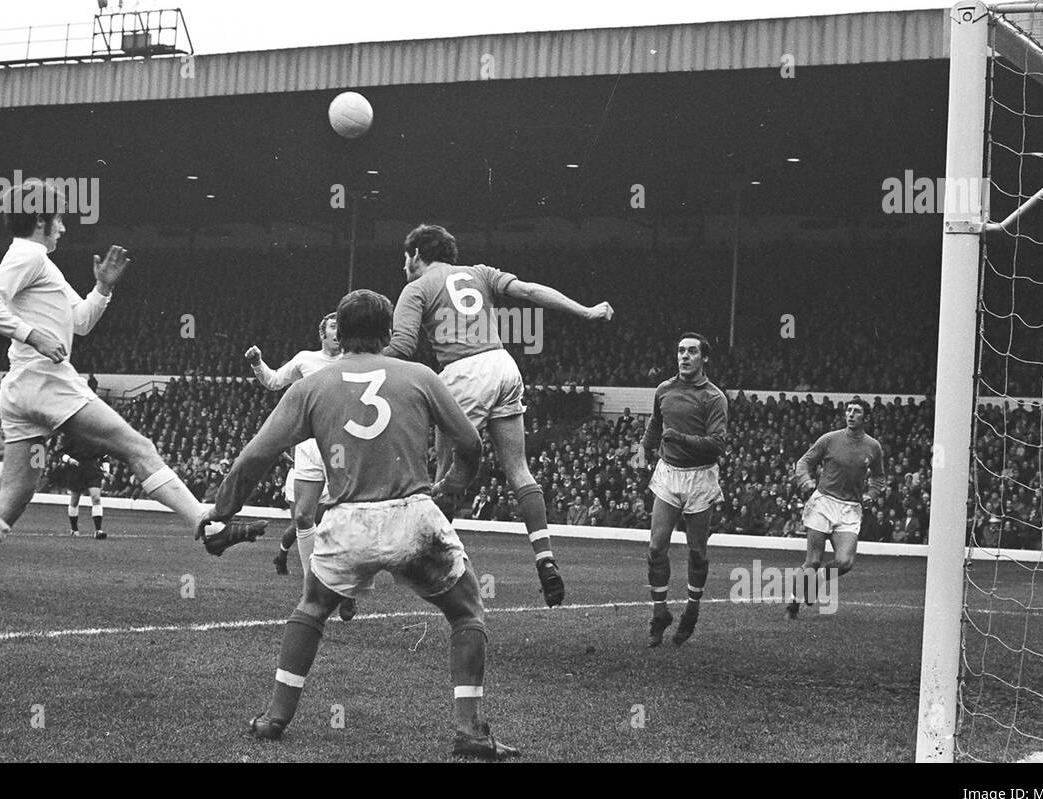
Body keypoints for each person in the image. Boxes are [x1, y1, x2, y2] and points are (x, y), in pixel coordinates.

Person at [0, 180, 265, 650]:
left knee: (14, 495)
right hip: (47, 379)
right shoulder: (27, 256)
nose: (65, 227)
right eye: (60, 219)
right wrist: (33, 335)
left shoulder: (38, 264)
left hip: (22, 388)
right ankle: (206, 526)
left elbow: (81, 321)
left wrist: (103, 289)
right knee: (137, 446)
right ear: (42, 221)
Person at [207, 289, 518, 759]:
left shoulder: (313, 385)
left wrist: (220, 513)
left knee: (312, 608)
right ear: (390, 333)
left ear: (342, 335)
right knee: (467, 612)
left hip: (347, 519)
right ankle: (470, 731)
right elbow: (470, 443)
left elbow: (255, 458)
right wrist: (454, 485)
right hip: (413, 517)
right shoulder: (420, 375)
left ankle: (274, 717)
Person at [383, 223, 613, 607]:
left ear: (417, 254)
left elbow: (404, 345)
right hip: (503, 364)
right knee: (519, 469)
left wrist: (356, 363)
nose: (403, 266)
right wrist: (585, 311)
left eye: (405, 258)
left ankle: (434, 563)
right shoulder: (480, 273)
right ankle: (545, 560)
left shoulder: (417, 288)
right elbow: (530, 291)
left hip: (462, 372)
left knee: (443, 471)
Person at [244, 313, 357, 620]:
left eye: (341, 327)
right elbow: (272, 382)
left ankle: (347, 589)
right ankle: (312, 588)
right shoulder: (305, 359)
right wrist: (257, 362)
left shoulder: (355, 360)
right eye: (333, 326)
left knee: (345, 516)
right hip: (308, 445)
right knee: (303, 516)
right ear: (322, 333)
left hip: (340, 445)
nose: (338, 331)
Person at [642, 333, 728, 647]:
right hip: (669, 473)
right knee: (655, 548)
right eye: (680, 350)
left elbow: (717, 445)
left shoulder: (714, 398)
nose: (684, 356)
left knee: (696, 551)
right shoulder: (664, 389)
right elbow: (655, 423)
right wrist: (643, 449)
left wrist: (679, 438)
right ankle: (660, 613)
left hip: (700, 477)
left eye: (692, 351)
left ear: (704, 358)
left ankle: (691, 611)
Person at [787, 399, 884, 619]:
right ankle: (793, 602)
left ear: (865, 418)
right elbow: (804, 462)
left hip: (850, 508)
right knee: (812, 560)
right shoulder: (830, 439)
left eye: (856, 411)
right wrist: (806, 482)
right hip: (823, 503)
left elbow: (879, 477)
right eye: (848, 410)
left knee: (845, 562)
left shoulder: (873, 447)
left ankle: (816, 583)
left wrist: (872, 494)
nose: (850, 414)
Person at [52, 433, 111, 539]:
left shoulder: (96, 437)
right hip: (76, 469)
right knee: (74, 500)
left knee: (96, 498)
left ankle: (98, 530)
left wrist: (106, 471)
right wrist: (69, 460)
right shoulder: (72, 435)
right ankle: (74, 529)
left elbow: (104, 456)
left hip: (93, 469)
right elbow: (60, 453)